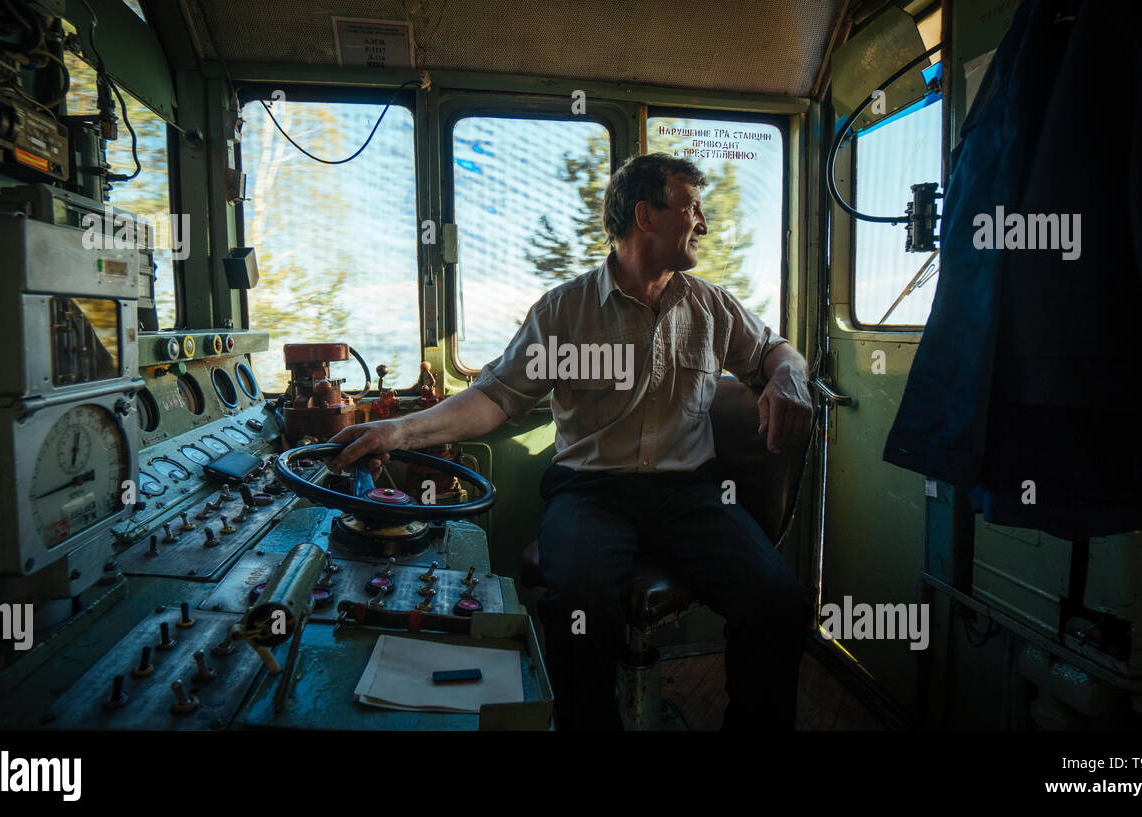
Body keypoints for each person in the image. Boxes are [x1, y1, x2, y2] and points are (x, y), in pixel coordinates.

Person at [327, 152, 815, 729]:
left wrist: (788, 373)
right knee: (578, 604)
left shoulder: (711, 305)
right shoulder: (564, 311)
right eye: (691, 208)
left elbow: (775, 351)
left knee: (779, 601)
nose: (703, 224)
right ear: (646, 216)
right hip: (591, 492)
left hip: (692, 494)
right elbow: (493, 400)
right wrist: (396, 428)